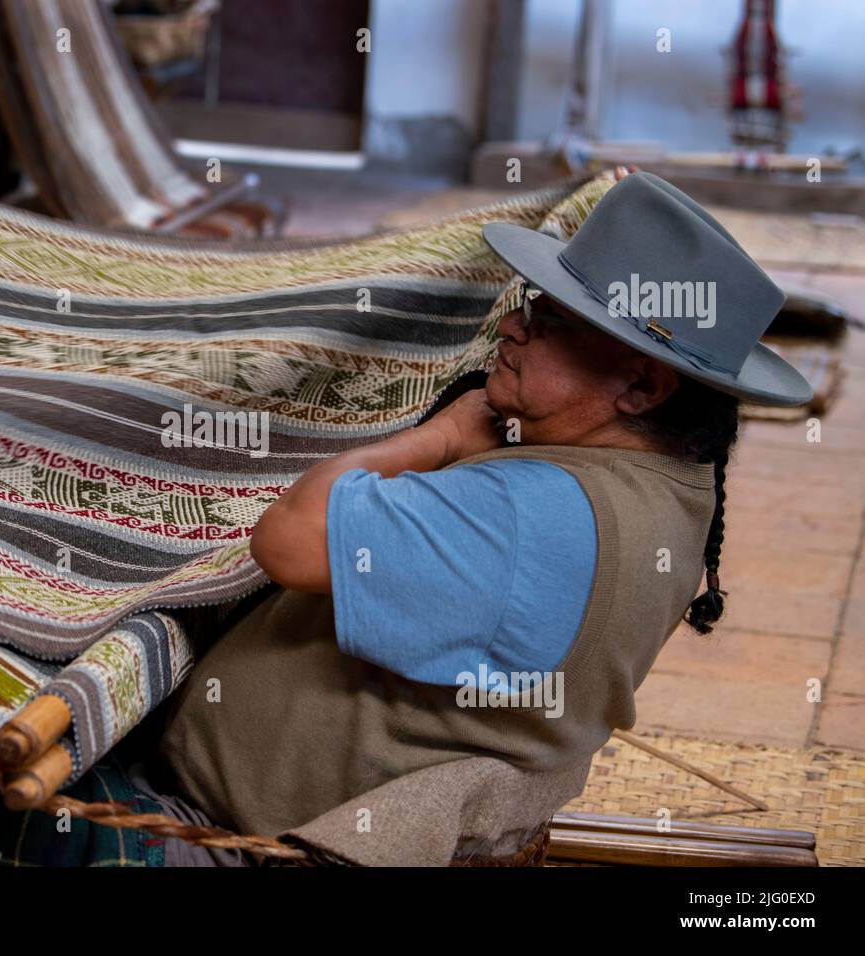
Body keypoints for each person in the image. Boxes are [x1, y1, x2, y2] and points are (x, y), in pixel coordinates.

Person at [148, 171, 813, 843]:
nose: (514, 326)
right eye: (531, 300)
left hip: (226, 831)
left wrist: (441, 435)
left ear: (640, 386)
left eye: (550, 321)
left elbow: (288, 539)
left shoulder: (530, 516)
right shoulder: (670, 484)